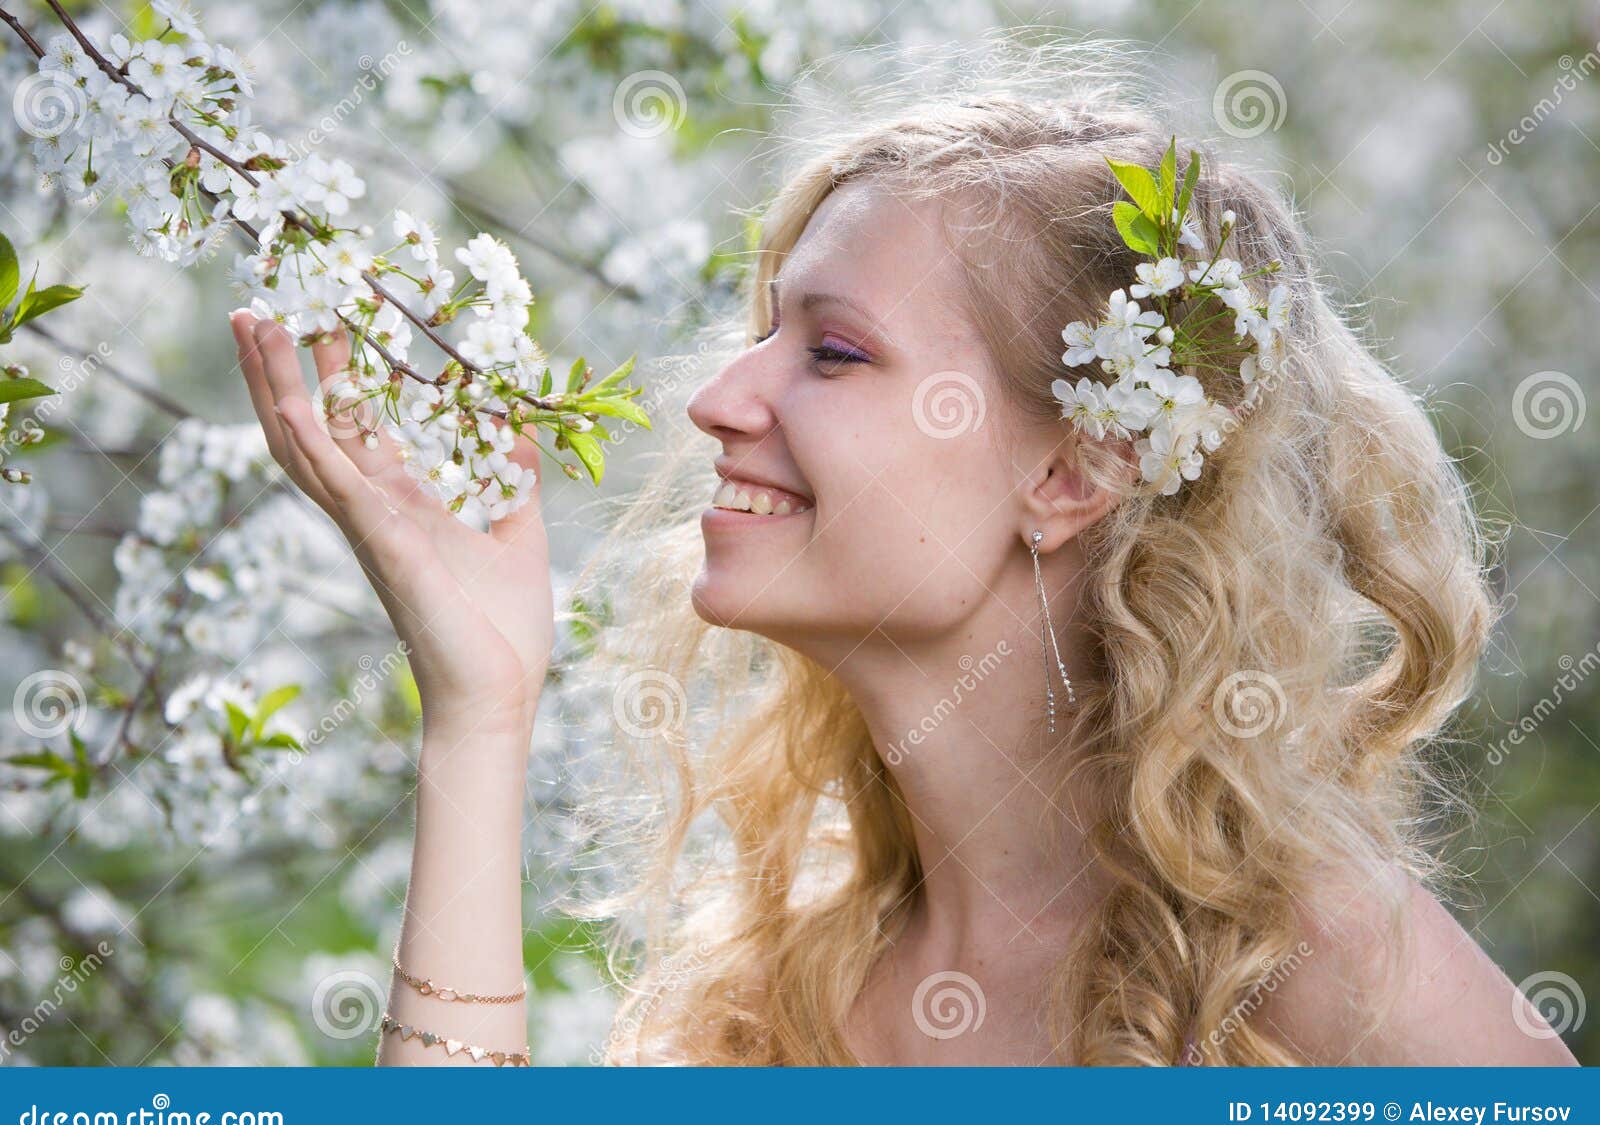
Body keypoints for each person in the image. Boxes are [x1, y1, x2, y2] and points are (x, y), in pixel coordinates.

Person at [227, 47, 1579, 1067]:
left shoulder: (1320, 971)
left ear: (1070, 471)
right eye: (763, 327)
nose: (718, 398)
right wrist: (478, 712)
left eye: (832, 349)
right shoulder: (783, 991)